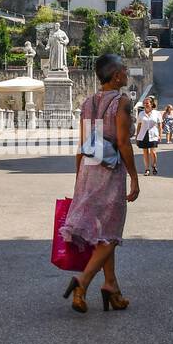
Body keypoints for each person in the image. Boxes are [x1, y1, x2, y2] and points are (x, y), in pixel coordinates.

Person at [61, 53, 140, 314]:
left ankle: (111, 287)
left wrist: (78, 180)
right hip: (109, 170)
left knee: (102, 231)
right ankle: (82, 282)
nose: (127, 74)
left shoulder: (87, 103)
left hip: (87, 169)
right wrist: (134, 178)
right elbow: (123, 142)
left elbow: (82, 144)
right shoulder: (122, 102)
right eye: (124, 71)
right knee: (112, 230)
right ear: (116, 75)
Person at [135, 94, 162, 175]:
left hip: (153, 134)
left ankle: (153, 165)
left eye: (147, 103)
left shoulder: (157, 113)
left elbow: (160, 125)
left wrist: (160, 135)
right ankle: (147, 169)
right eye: (144, 103)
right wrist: (137, 136)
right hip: (143, 134)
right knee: (145, 152)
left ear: (151, 104)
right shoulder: (141, 114)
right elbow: (139, 125)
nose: (145, 104)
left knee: (153, 152)